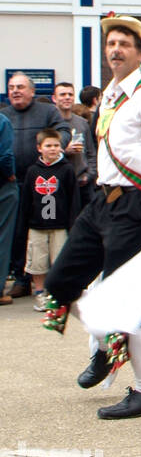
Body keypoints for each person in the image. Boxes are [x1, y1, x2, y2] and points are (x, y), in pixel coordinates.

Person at [43, 14, 141, 419]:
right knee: (58, 281)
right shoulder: (111, 95)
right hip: (101, 202)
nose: (115, 49)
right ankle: (104, 346)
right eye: (110, 43)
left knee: (124, 299)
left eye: (124, 44)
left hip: (136, 204)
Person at [3, 72, 71, 298]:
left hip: (42, 183)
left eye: (20, 87)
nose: (15, 91)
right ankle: (20, 277)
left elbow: (62, 130)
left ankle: (45, 282)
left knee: (41, 236)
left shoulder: (47, 111)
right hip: (11, 183)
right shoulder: (4, 115)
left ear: (32, 91)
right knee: (16, 234)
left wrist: (54, 147)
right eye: (11, 87)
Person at [21, 129, 81, 309]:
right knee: (38, 262)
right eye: (48, 146)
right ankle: (40, 293)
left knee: (59, 260)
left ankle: (56, 294)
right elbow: (26, 200)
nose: (53, 149)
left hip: (60, 225)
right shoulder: (32, 171)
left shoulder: (67, 170)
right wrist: (23, 225)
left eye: (56, 146)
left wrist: (73, 224)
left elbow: (74, 199)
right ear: (39, 148)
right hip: (37, 225)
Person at [53, 81, 95, 206]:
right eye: (62, 94)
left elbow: (91, 152)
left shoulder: (82, 123)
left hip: (83, 183)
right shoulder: (50, 123)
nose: (67, 97)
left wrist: (90, 175)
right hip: (59, 183)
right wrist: (65, 152)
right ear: (54, 98)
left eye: (70, 94)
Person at [0, 113, 14, 306]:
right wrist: (10, 175)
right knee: (2, 238)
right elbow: (5, 156)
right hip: (2, 185)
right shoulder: (2, 121)